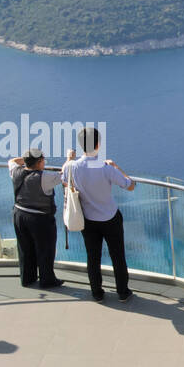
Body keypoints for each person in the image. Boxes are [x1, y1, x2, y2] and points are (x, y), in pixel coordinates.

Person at [63, 127, 135, 302]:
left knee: (92, 257)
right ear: (97, 144)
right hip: (110, 218)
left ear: (81, 146)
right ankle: (122, 292)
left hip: (88, 219)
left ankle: (97, 292)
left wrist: (68, 159)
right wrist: (117, 167)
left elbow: (65, 181)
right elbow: (130, 185)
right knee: (117, 255)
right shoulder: (105, 167)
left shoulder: (71, 167)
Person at [7, 147, 64, 289]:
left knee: (25, 248)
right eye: (43, 160)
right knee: (45, 249)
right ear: (39, 162)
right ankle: (47, 280)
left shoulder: (16, 171)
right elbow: (65, 174)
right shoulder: (45, 177)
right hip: (40, 219)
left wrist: (27, 160)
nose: (45, 162)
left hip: (19, 214)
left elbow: (12, 160)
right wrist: (69, 159)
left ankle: (27, 279)